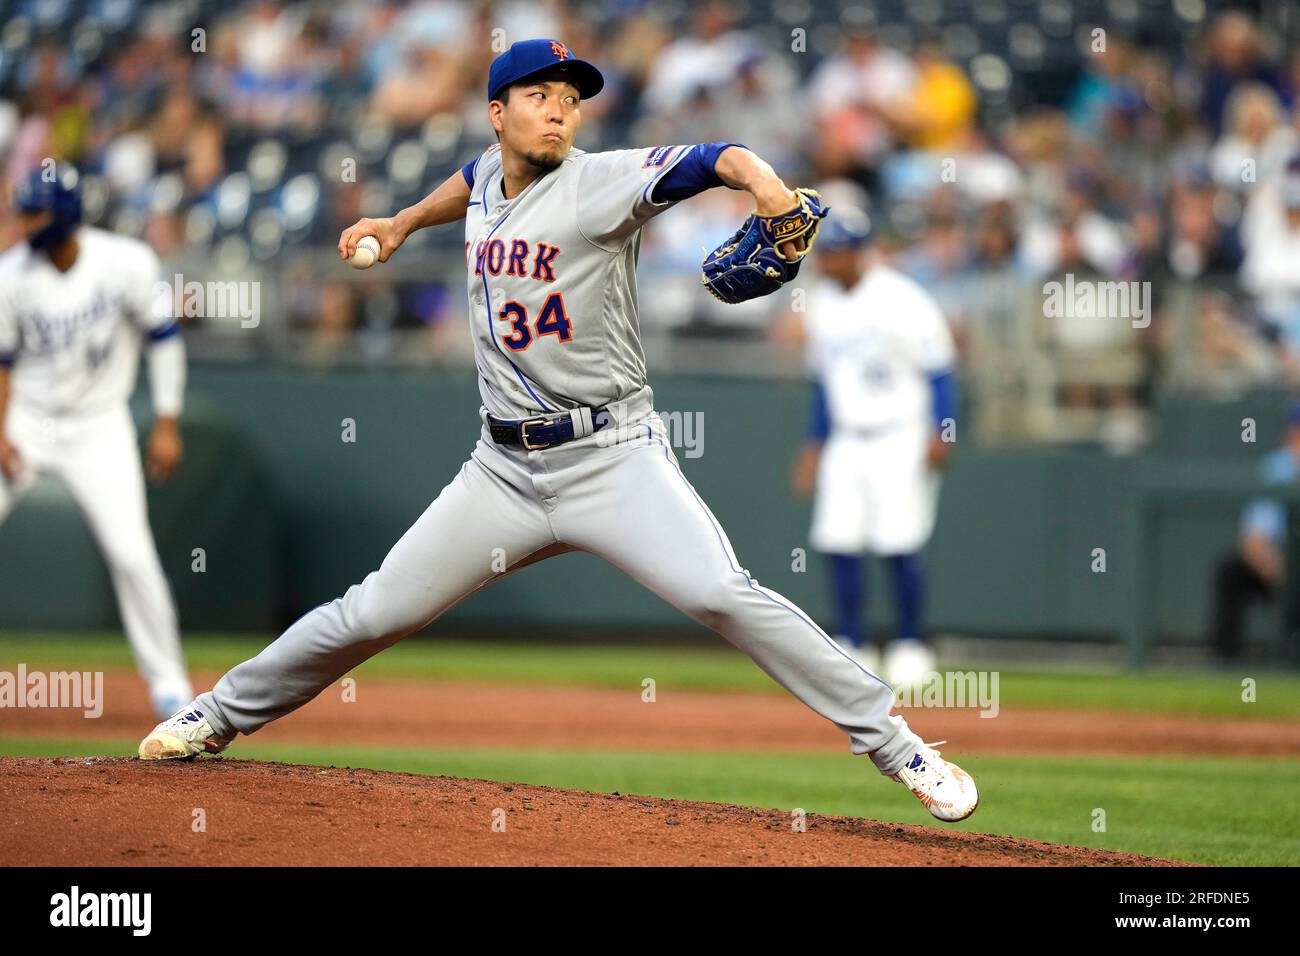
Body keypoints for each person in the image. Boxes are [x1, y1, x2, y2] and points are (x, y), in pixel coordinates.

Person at [139, 38, 978, 823]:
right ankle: (217, 713)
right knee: (371, 613)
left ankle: (900, 749)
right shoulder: (484, 181)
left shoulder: (599, 181)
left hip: (611, 458)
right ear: (498, 112)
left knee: (721, 593)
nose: (557, 110)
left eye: (569, 100)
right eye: (538, 95)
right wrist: (398, 223)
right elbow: (468, 182)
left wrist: (761, 182)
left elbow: (708, 158)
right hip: (499, 471)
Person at [0, 163, 193, 718]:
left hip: (98, 426)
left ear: (62, 214)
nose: (23, 221)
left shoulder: (125, 262)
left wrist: (166, 421)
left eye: (34, 211)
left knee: (131, 552)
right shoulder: (11, 275)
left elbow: (163, 338)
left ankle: (170, 685)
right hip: (26, 421)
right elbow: (3, 365)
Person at [790, 208, 957, 687]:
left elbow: (940, 370)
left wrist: (942, 430)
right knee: (838, 537)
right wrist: (813, 445)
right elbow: (823, 382)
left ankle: (910, 642)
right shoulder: (823, 304)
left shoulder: (902, 298)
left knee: (898, 540)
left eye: (839, 252)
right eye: (828, 252)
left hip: (899, 433)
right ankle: (852, 642)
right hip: (847, 435)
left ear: (861, 252)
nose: (830, 260)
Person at [1210, 404, 1300, 663]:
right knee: (1229, 569)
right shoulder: (1276, 468)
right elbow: (1254, 539)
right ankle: (1225, 661)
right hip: (1276, 567)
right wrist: (1279, 570)